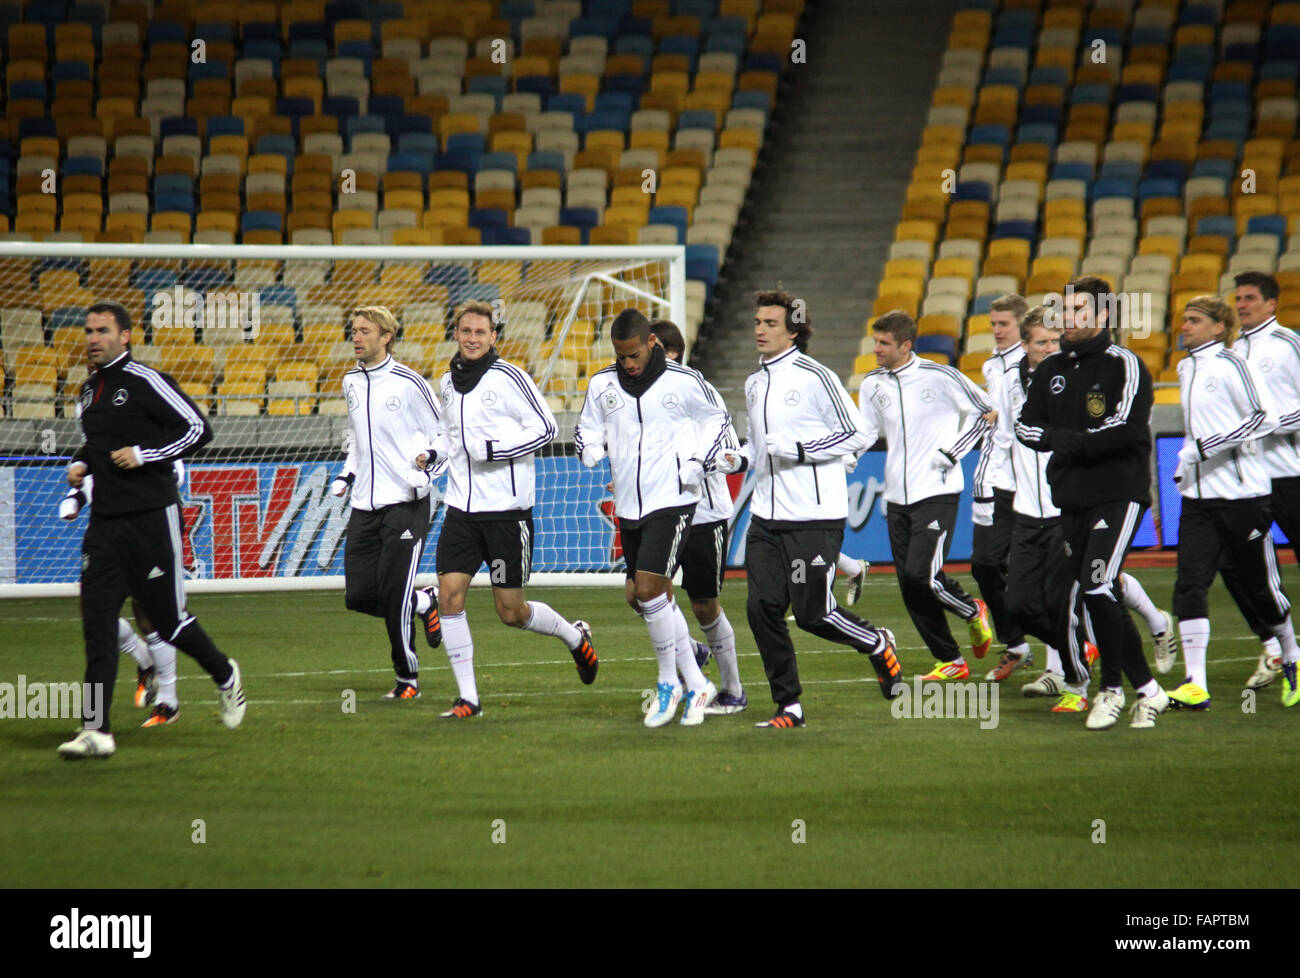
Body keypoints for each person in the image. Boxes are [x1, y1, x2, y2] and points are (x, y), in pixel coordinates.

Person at [58, 302, 245, 759]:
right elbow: (97, 444)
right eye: (89, 331)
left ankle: (225, 674)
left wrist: (144, 454)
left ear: (125, 336)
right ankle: (96, 730)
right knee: (97, 627)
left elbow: (198, 429)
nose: (93, 338)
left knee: (168, 623)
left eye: (102, 330)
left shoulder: (146, 380)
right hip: (105, 527)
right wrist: (81, 462)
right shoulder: (88, 390)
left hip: (151, 519)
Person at [718, 289, 902, 729]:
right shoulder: (755, 382)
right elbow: (760, 447)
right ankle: (790, 706)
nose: (760, 330)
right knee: (761, 609)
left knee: (812, 615)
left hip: (813, 519)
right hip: (766, 519)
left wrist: (801, 449)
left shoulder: (817, 377)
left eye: (771, 323)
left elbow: (857, 433)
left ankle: (876, 643)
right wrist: (738, 458)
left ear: (794, 331)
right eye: (758, 322)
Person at [423, 300, 597, 720]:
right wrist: (433, 454)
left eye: (480, 332)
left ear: (493, 337)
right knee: (449, 596)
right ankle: (468, 698)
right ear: (456, 334)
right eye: (466, 331)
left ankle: (574, 637)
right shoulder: (447, 382)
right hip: (461, 511)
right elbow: (449, 435)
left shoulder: (510, 377)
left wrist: (495, 449)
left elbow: (547, 428)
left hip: (506, 515)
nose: (472, 339)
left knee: (510, 611)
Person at [1015, 277, 1169, 730]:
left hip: (1118, 494)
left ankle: (1112, 690)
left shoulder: (1125, 364)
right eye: (1064, 309)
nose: (1067, 317)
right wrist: (1065, 440)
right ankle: (1150, 690)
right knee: (1097, 591)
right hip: (1071, 498)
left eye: (1078, 310)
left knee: (1098, 586)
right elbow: (1025, 427)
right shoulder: (1050, 369)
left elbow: (1126, 429)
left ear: (1103, 315)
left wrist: (1066, 441)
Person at [577, 308, 730, 728]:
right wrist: (589, 446)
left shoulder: (684, 381)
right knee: (653, 595)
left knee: (647, 590)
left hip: (674, 498)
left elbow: (718, 419)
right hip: (629, 505)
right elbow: (587, 426)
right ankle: (697, 682)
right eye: (621, 356)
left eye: (634, 354)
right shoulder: (602, 385)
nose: (628, 363)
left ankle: (669, 683)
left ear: (651, 343)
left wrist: (698, 461)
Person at [1172, 296, 1300, 709]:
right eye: (1184, 319)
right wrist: (1186, 465)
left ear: (1218, 327)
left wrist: (1206, 447)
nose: (1185, 326)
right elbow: (1195, 432)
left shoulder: (1233, 364)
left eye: (1194, 320)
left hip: (1243, 497)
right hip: (1197, 500)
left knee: (1260, 588)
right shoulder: (1184, 367)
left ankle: (1292, 654)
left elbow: (1265, 417)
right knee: (1189, 585)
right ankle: (1195, 684)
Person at [857, 310, 995, 679]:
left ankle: (971, 609)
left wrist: (953, 453)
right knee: (910, 585)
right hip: (896, 497)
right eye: (875, 342)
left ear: (905, 345)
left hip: (937, 490)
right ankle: (951, 660)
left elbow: (985, 412)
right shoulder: (872, 384)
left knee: (923, 575)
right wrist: (843, 458)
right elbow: (866, 432)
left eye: (884, 343)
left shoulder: (941, 376)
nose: (876, 349)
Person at [331, 306, 444, 700]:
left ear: (386, 337)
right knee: (358, 596)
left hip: (405, 504)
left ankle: (407, 678)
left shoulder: (410, 383)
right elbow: (358, 439)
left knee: (393, 595)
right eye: (353, 331)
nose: (357, 337)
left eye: (365, 330)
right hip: (364, 505)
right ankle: (422, 601)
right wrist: (347, 474)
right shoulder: (350, 381)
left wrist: (428, 469)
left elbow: (445, 435)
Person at [647, 319, 747, 713]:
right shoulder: (644, 396)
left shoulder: (699, 391)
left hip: (704, 514)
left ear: (672, 352)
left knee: (704, 604)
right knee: (642, 594)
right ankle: (690, 652)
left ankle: (733, 690)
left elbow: (729, 450)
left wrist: (692, 466)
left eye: (651, 348)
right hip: (660, 513)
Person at [1231, 271, 1300, 691]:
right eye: (1238, 298)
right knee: (1238, 565)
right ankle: (1273, 646)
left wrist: (1265, 424)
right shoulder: (1233, 351)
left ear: (1271, 304)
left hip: (1291, 472)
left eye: (1250, 298)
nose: (1241, 305)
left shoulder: (1288, 344)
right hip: (1248, 482)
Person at [972, 294, 1032, 678]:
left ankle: (1077, 644)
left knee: (1053, 569)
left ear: (1021, 326)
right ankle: (1017, 644)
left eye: (1003, 324)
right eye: (993, 323)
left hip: (1030, 484)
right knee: (985, 564)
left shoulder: (1032, 364)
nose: (996, 330)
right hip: (996, 481)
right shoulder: (991, 365)